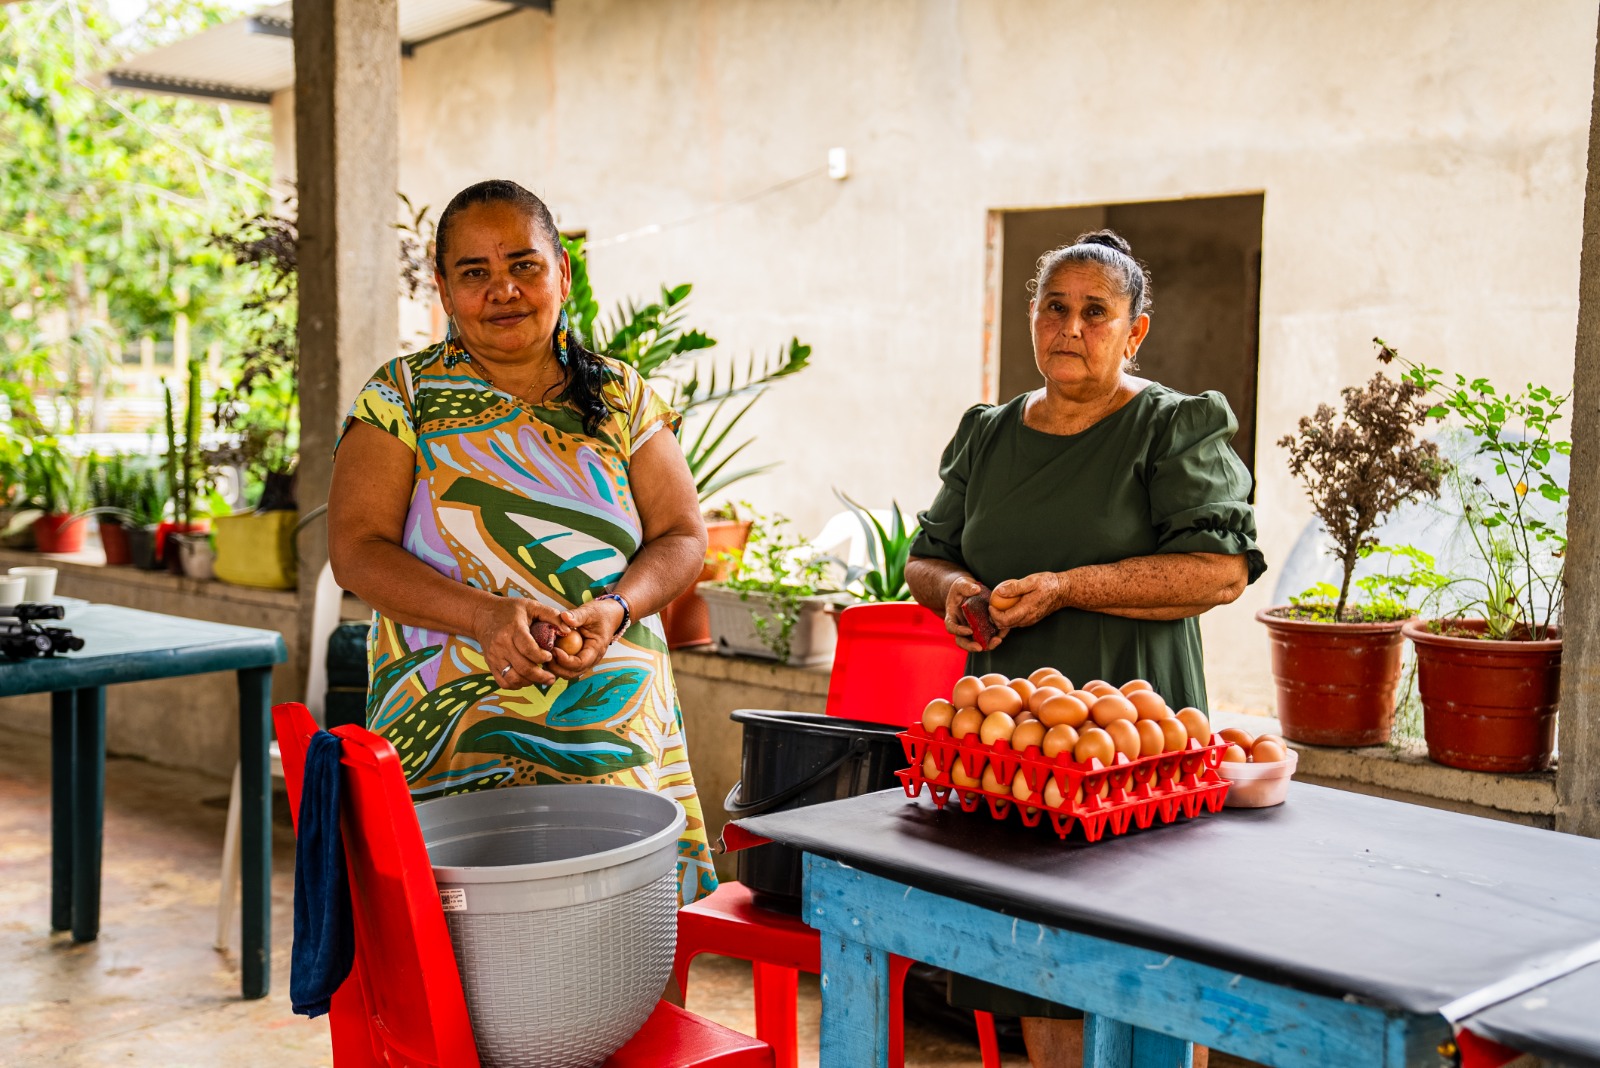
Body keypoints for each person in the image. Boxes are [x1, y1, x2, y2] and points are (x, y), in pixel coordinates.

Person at [905, 230, 1266, 1066]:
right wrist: (955, 593)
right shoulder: (989, 433)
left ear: (1135, 331)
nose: (1070, 328)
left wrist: (1069, 587)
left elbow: (1218, 572)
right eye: (1055, 308)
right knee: (1040, 964)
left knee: (1154, 959)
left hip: (1141, 738)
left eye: (1095, 313)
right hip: (1018, 751)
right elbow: (927, 553)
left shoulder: (1171, 427)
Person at [328, 179, 717, 908]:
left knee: (627, 948)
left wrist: (614, 609)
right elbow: (356, 549)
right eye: (474, 273)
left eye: (523, 264)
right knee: (471, 977)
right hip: (448, 744)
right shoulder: (402, 398)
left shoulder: (623, 396)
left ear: (562, 272)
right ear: (443, 289)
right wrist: (483, 616)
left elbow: (682, 535)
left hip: (615, 736)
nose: (502, 289)